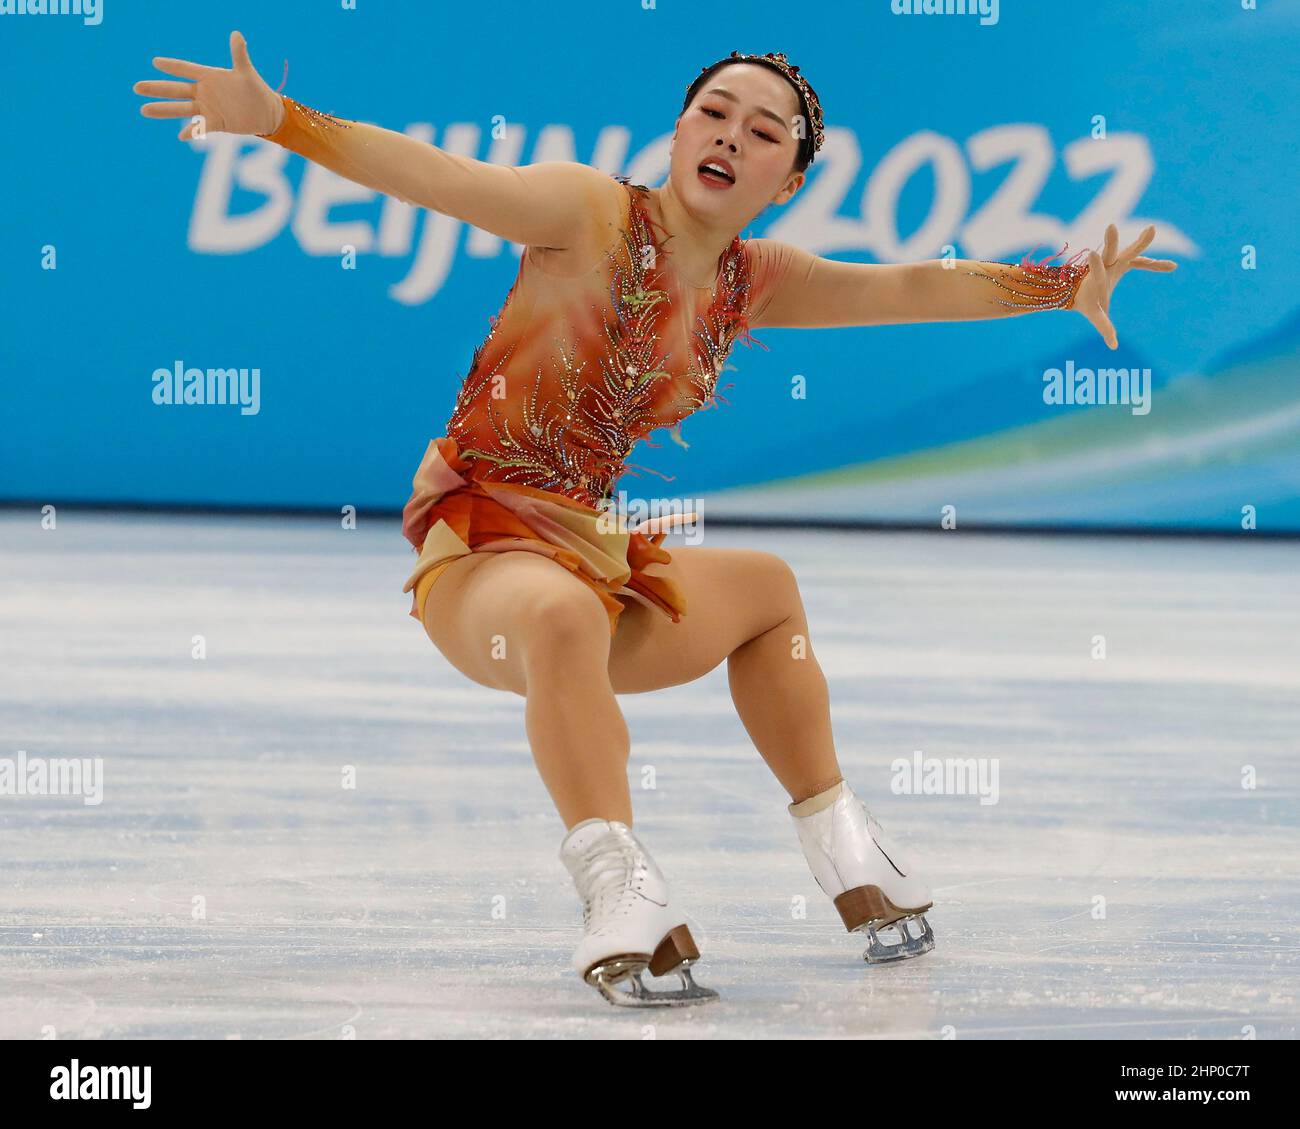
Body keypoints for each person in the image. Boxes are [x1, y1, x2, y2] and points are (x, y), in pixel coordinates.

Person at [134, 33, 1178, 1008]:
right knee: (556, 618)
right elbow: (437, 178)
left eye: (763, 131)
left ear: (790, 180)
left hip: (586, 555)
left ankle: (844, 848)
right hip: (482, 555)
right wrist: (281, 122)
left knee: (766, 591)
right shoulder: (585, 212)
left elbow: (907, 283)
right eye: (714, 112)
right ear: (678, 133)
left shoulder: (748, 280)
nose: (731, 134)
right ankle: (615, 881)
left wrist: (1060, 284)